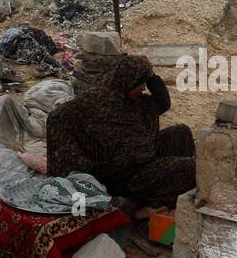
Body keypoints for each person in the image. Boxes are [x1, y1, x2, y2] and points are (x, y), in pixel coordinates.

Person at [46, 54, 195, 209]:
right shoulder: (96, 105)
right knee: (191, 168)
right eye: (140, 83)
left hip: (140, 161)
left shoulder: (131, 101)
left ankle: (172, 196)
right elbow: (58, 117)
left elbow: (162, 103)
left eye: (145, 82)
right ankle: (148, 203)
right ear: (128, 80)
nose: (143, 88)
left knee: (181, 133)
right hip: (123, 178)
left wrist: (151, 75)